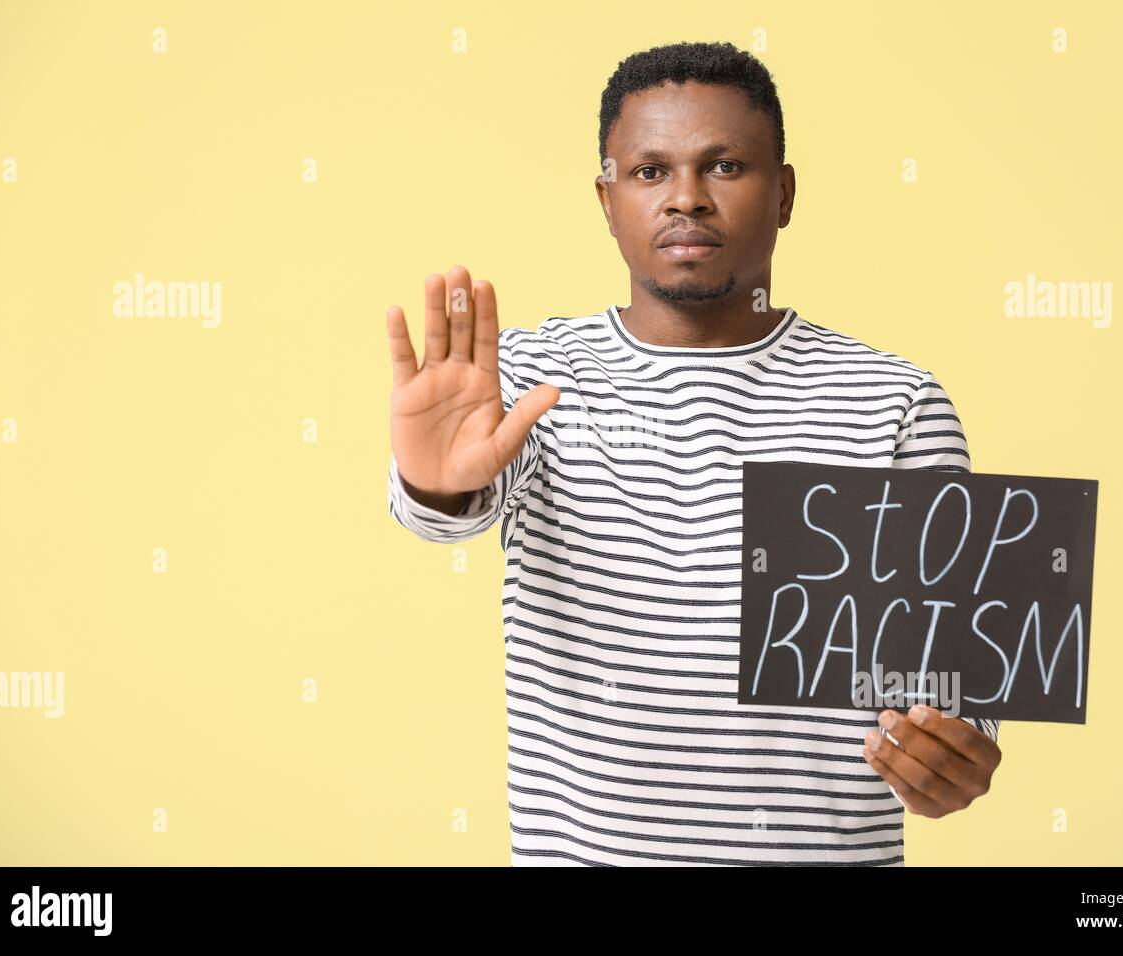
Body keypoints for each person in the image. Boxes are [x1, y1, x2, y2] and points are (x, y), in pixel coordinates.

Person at [384, 40, 1001, 866]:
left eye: (725, 167)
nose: (686, 199)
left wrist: (951, 752)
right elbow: (448, 517)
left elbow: (950, 673)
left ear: (782, 193)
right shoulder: (535, 380)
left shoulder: (893, 402)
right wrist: (437, 482)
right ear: (606, 200)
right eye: (648, 172)